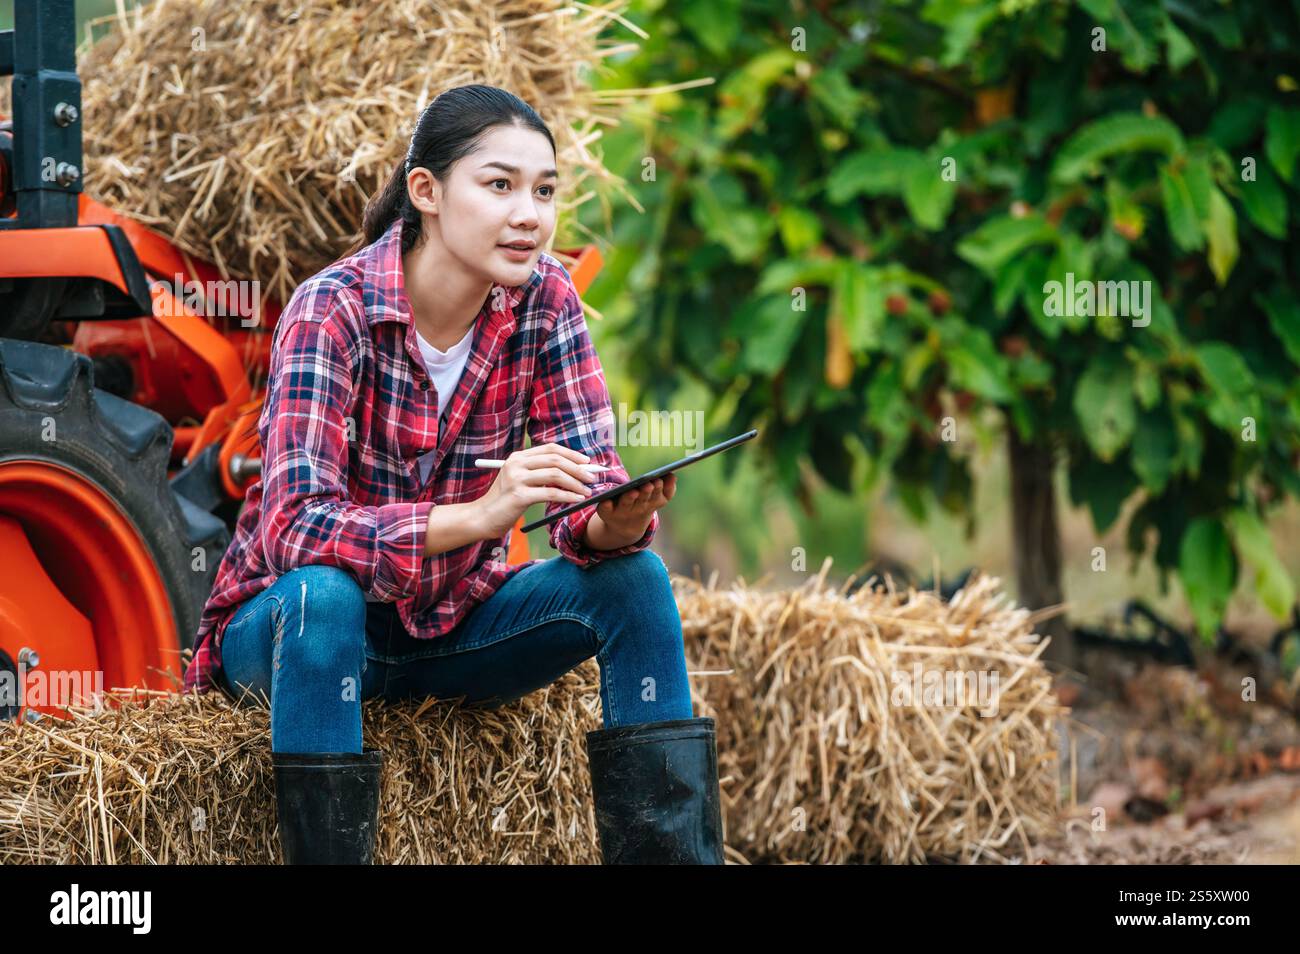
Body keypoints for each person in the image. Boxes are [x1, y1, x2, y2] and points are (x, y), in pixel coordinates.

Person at [179, 85, 724, 865]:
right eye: (499, 185)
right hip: (301, 639)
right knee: (325, 596)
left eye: (544, 191)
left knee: (636, 580)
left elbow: (583, 506)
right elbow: (295, 528)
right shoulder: (331, 309)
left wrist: (620, 516)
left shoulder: (547, 302)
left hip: (451, 629)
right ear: (426, 193)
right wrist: (479, 516)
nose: (528, 214)